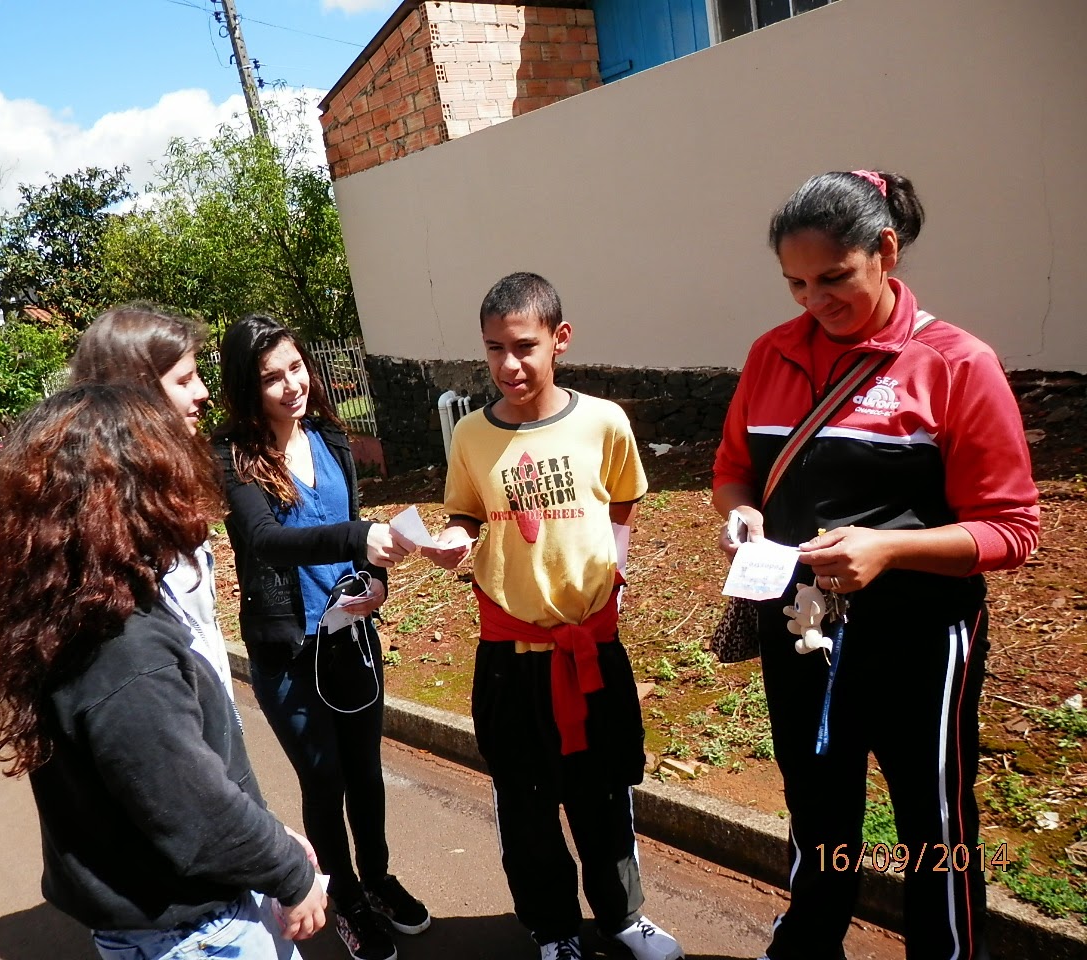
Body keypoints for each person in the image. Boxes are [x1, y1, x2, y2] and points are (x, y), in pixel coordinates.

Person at [712, 170, 1039, 960]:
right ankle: (809, 940)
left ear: (884, 250)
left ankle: (949, 948)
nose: (813, 302)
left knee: (933, 819)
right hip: (801, 632)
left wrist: (887, 547)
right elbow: (733, 468)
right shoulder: (771, 355)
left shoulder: (956, 364)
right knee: (816, 803)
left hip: (919, 639)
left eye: (833, 279)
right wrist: (740, 512)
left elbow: (1012, 530)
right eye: (795, 284)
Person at [0, 384, 328, 960]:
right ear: (133, 496)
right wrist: (288, 872)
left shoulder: (70, 611)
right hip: (198, 934)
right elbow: (194, 811)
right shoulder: (122, 651)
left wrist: (270, 837)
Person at [423, 272, 685, 960]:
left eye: (524, 346)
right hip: (510, 656)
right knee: (526, 802)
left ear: (560, 341)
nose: (508, 365)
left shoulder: (603, 422)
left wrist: (615, 571)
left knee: (603, 794)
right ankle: (554, 931)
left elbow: (625, 499)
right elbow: (465, 510)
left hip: (591, 650)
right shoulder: (474, 437)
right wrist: (455, 537)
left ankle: (623, 918)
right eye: (493, 350)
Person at [213, 314, 426, 960]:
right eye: (272, 377)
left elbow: (352, 528)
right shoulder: (231, 458)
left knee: (366, 773)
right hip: (289, 650)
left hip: (350, 639)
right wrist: (360, 538)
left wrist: (376, 583)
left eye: (296, 368)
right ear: (247, 388)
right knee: (325, 778)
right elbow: (267, 543)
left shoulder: (332, 439)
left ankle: (379, 877)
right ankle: (347, 899)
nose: (291, 385)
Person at [69, 303, 238, 706]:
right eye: (184, 380)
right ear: (136, 395)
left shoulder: (163, 501)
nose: (203, 392)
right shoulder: (109, 535)